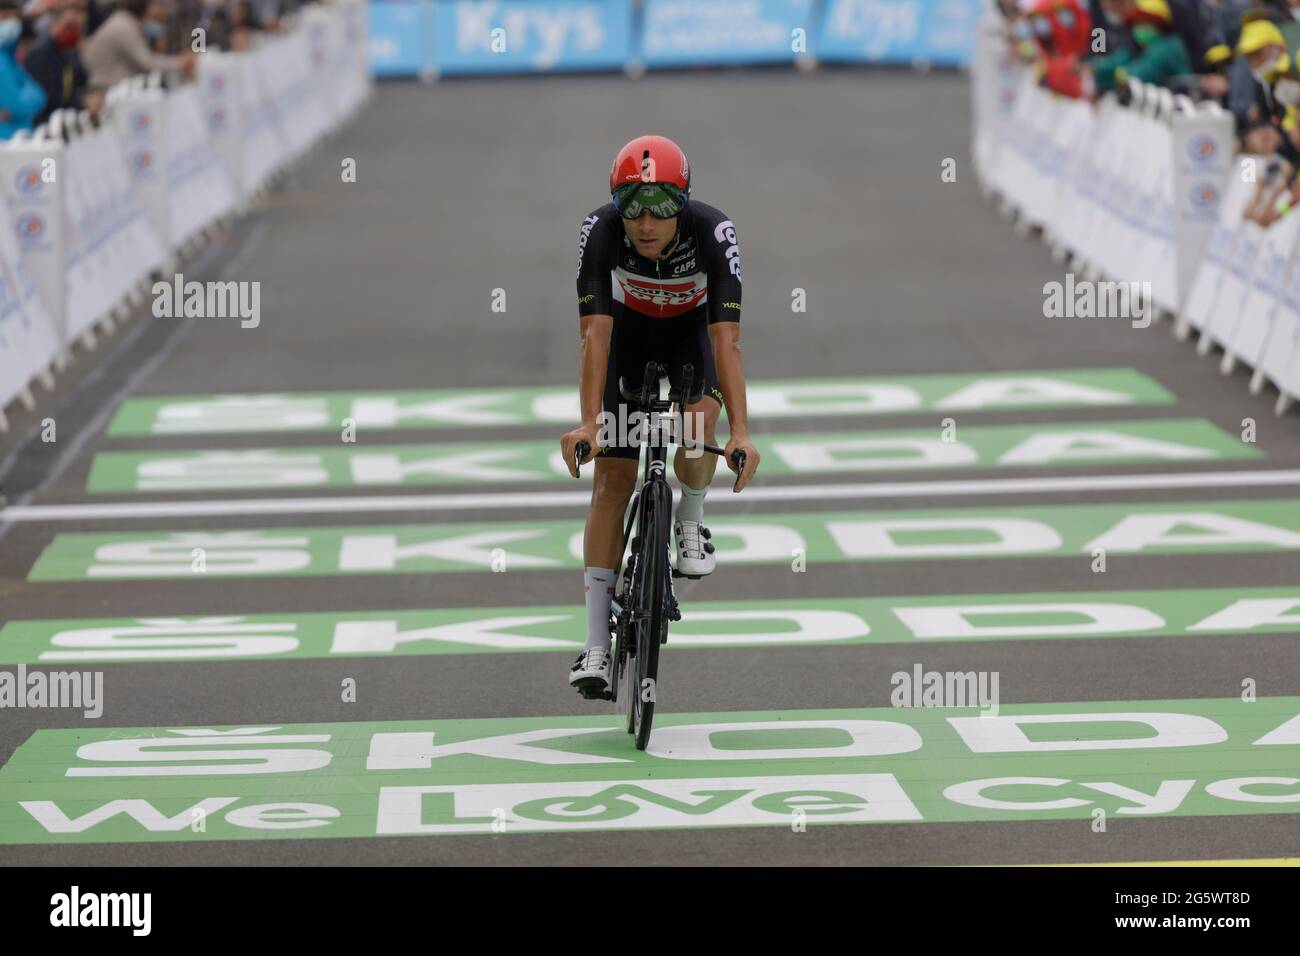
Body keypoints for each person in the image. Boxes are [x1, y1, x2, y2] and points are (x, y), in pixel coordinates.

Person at [560, 134, 761, 696]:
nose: (647, 224)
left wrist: (740, 431)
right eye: (633, 208)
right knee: (613, 479)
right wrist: (590, 423)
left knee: (696, 432)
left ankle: (690, 518)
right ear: (616, 205)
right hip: (628, 340)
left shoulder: (714, 233)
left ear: (685, 202)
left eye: (663, 208)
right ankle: (596, 645)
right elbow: (594, 335)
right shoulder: (598, 232)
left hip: (693, 342)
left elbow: (727, 343)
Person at [81, 0, 195, 89]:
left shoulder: (129, 22)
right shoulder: (123, 26)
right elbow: (146, 62)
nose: (160, 9)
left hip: (118, 85)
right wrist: (181, 62)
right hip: (105, 89)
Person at [23, 0, 88, 124]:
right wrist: (81, 104)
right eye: (69, 27)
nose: (74, 32)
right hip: (46, 123)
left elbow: (81, 83)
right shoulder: (40, 54)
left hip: (69, 119)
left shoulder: (71, 53)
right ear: (55, 23)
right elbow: (49, 98)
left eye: (78, 28)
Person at [0, 0, 46, 138]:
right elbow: (18, 105)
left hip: (20, 137)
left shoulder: (10, 57)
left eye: (15, 17)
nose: (10, 23)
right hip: (8, 141)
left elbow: (40, 95)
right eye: (4, 17)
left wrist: (34, 95)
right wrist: (33, 94)